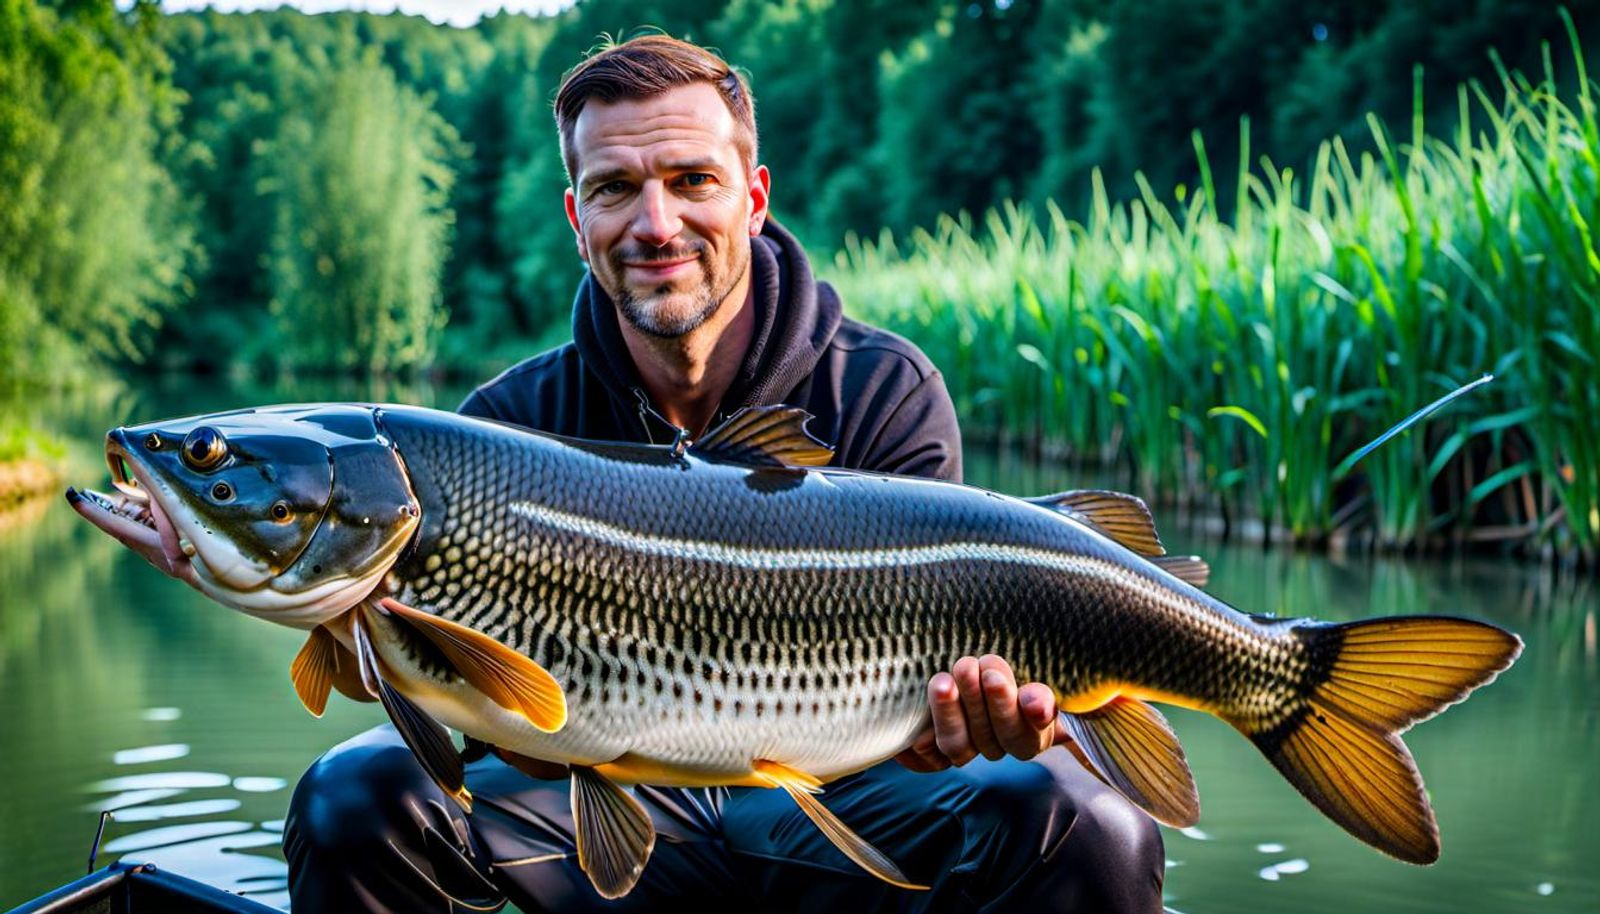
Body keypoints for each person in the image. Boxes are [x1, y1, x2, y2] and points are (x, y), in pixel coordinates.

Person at [283, 35, 1164, 914]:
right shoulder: (499, 433)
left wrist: (963, 730)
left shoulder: (887, 392)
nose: (655, 224)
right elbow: (469, 716)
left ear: (753, 197)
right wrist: (383, 658)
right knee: (353, 797)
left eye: (691, 180)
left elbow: (938, 729)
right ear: (576, 216)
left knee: (1087, 820)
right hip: (603, 815)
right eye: (615, 188)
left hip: (840, 803)